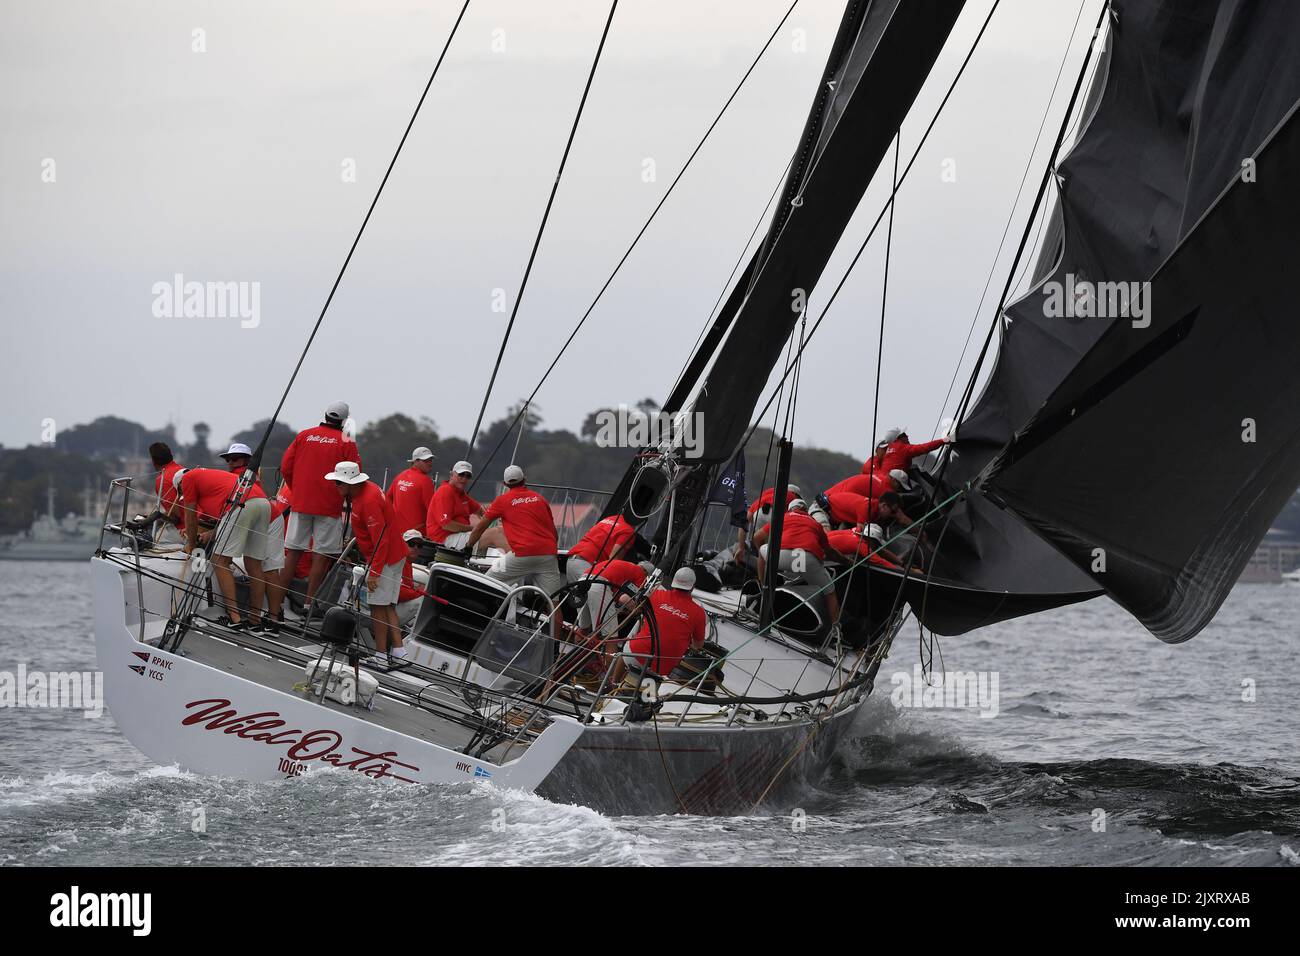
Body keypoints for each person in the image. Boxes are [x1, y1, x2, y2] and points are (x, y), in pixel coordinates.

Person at [280, 401, 360, 618]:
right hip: (329, 506)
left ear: (325, 415)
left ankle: (276, 603)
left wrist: (297, 489)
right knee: (321, 556)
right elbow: (353, 474)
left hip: (301, 502)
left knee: (293, 552)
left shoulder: (304, 435)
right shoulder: (347, 442)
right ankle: (309, 605)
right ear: (344, 421)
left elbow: (286, 466)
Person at [326, 461, 407, 661]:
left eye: (338, 482)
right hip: (393, 555)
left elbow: (382, 539)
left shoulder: (368, 501)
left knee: (378, 607)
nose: (335, 486)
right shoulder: (366, 491)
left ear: (349, 483)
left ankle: (380, 655)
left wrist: (375, 572)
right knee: (387, 605)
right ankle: (398, 650)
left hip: (385, 558)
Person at [176, 466, 273, 631]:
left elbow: (190, 517)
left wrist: (191, 546)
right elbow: (226, 522)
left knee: (219, 560)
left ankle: (234, 618)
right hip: (263, 503)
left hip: (242, 505)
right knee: (254, 564)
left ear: (179, 484)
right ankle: (255, 621)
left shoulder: (187, 479)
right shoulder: (209, 477)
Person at [466, 465, 564, 596]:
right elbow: (553, 532)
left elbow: (480, 527)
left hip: (522, 554)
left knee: (487, 582)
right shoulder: (540, 499)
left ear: (505, 483)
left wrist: (468, 546)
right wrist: (551, 554)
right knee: (553, 602)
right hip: (548, 554)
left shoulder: (502, 501)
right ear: (524, 480)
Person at [219, 442, 286, 632]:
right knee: (270, 570)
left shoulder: (238, 476)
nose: (231, 463)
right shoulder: (254, 475)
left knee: (257, 568)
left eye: (235, 459)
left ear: (246, 461)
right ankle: (273, 620)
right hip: (273, 517)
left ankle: (254, 618)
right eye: (228, 459)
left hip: (264, 520)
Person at [751, 498, 849, 626]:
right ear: (806, 511)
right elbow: (830, 552)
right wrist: (846, 561)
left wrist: (768, 559)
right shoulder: (815, 524)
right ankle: (835, 631)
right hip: (807, 559)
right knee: (829, 593)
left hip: (781, 557)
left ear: (791, 509)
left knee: (763, 551)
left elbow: (757, 537)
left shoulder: (783, 517)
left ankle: (763, 588)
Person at [611, 567, 707, 685]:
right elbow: (698, 645)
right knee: (645, 696)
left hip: (634, 656)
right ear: (692, 587)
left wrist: (638, 610)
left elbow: (623, 598)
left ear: (673, 583)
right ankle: (644, 699)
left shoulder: (656, 594)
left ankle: (613, 683)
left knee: (632, 640)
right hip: (663, 668)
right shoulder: (699, 612)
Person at [426, 460, 500, 552]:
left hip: (457, 536)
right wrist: (474, 529)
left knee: (499, 531)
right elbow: (446, 525)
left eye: (467, 476)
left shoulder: (461, 494)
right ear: (452, 474)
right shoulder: (445, 491)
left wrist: (497, 514)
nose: (464, 479)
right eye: (461, 475)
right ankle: (515, 561)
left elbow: (480, 510)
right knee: (495, 534)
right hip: (443, 540)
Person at [565, 512, 636, 583]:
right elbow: (613, 559)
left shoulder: (610, 518)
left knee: (579, 593)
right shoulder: (628, 531)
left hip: (571, 560)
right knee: (597, 591)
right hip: (587, 564)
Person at [386, 446, 436, 538]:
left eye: (431, 460)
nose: (430, 463)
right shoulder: (426, 481)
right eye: (426, 461)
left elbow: (387, 500)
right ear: (415, 461)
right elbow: (432, 510)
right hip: (416, 536)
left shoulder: (400, 476)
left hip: (396, 532)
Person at [145, 442, 185, 544]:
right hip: (200, 524)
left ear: (154, 461)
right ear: (170, 456)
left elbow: (175, 516)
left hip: (185, 529)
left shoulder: (162, 480)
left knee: (155, 541)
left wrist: (152, 520)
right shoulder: (181, 469)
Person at [825, 523, 908, 570]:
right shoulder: (860, 544)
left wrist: (901, 563)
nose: (875, 546)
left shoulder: (855, 531)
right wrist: (902, 570)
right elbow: (879, 561)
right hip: (822, 553)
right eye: (876, 543)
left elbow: (879, 550)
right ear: (871, 539)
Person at [396, 529, 428, 628]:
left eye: (419, 546)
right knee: (425, 599)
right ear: (403, 544)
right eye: (411, 543)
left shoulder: (407, 562)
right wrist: (419, 592)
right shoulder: (399, 561)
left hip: (396, 605)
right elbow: (398, 591)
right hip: (389, 609)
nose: (415, 548)